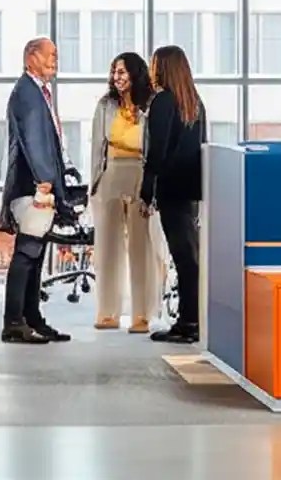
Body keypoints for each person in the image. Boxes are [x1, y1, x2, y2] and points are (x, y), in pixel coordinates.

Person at [0, 37, 72, 345]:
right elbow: (34, 142)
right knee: (26, 254)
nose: (55, 59)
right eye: (50, 55)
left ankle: (31, 318)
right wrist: (47, 182)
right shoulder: (27, 93)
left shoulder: (38, 92)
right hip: (34, 187)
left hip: (40, 184)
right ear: (31, 58)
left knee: (36, 255)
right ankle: (14, 322)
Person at [89, 52, 164, 334]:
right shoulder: (106, 105)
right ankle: (107, 311)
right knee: (107, 246)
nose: (117, 77)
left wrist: (153, 189)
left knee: (141, 246)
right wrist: (94, 184)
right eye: (114, 72)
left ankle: (141, 314)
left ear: (135, 74)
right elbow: (97, 145)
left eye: (122, 72)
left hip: (141, 175)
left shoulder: (152, 104)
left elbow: (154, 146)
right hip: (110, 175)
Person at [140, 45, 207, 345]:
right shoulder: (194, 101)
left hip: (171, 186)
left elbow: (157, 151)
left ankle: (188, 323)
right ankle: (193, 319)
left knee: (183, 257)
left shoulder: (164, 101)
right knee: (189, 256)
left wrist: (146, 191)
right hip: (191, 188)